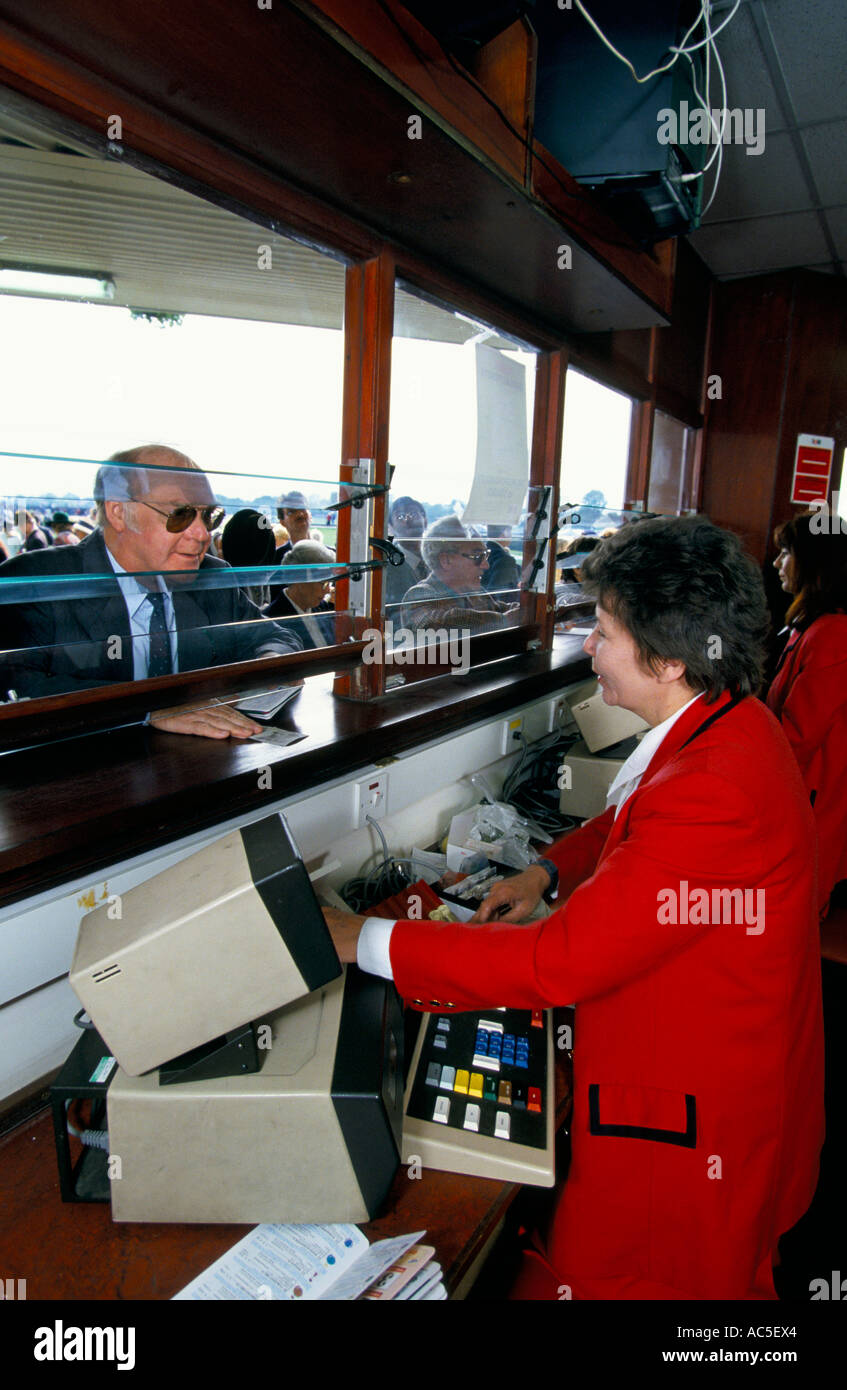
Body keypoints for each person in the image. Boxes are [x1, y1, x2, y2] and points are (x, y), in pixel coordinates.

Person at [324, 516, 824, 1301]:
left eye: (603, 630)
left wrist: (366, 940)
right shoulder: (727, 721)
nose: (588, 646)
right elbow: (637, 818)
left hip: (688, 1126)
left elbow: (555, 963)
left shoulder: (716, 789)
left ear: (664, 660)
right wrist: (548, 875)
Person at [0, 446, 302, 738]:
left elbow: (277, 637)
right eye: (180, 515)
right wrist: (147, 708)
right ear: (118, 513)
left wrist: (269, 664)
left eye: (209, 517)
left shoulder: (212, 575)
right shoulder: (38, 580)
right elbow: (3, 683)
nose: (203, 533)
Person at [767, 511, 847, 915]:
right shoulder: (810, 626)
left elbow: (798, 738)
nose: (778, 562)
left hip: (813, 809)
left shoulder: (832, 635)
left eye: (787, 553)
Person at [400, 514, 519, 634]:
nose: (486, 565)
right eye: (477, 556)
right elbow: (435, 623)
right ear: (446, 560)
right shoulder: (418, 595)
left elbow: (509, 609)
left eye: (486, 555)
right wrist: (503, 620)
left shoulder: (476, 593)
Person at [265, 540, 338, 649]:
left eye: (330, 583)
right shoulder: (271, 620)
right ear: (299, 577)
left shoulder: (323, 608)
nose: (328, 590)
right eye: (324, 583)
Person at [385, 496, 428, 628]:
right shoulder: (387, 567)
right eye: (400, 516)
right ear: (390, 528)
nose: (408, 519)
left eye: (413, 514)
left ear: (425, 521)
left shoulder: (440, 560)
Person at [482, 524, 521, 594]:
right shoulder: (505, 560)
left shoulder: (483, 552)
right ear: (505, 532)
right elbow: (501, 595)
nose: (511, 536)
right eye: (510, 531)